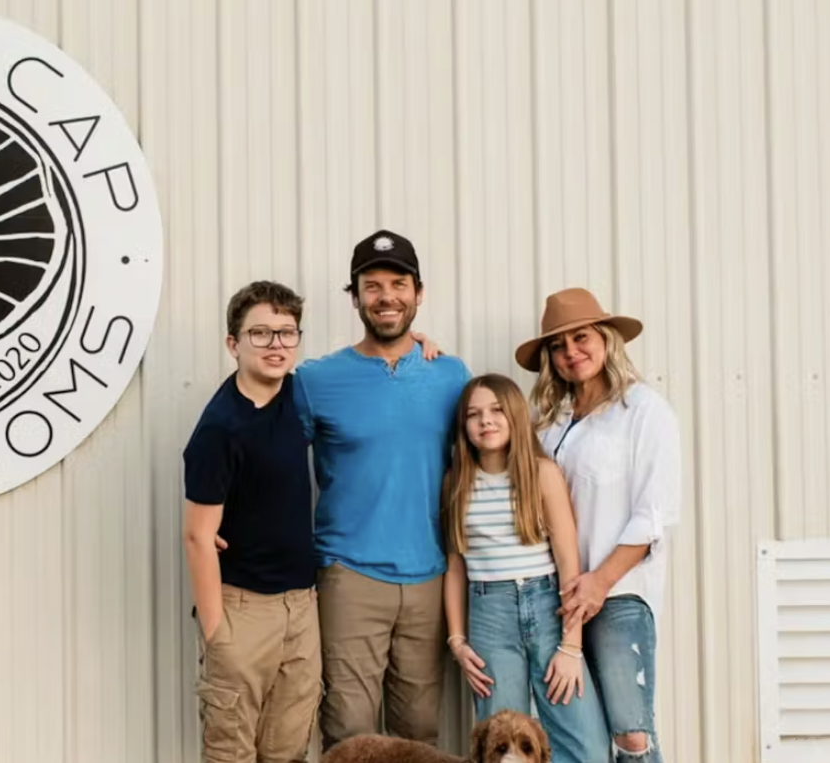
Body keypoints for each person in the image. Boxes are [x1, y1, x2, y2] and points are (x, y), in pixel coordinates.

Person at [292, 229, 472, 750]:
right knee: (349, 735)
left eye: (399, 283)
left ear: (419, 292)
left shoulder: (451, 375)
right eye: (372, 286)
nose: (386, 296)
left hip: (430, 578)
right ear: (355, 297)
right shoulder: (316, 380)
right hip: (349, 575)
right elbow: (275, 462)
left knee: (419, 736)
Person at [515, 287, 682, 763]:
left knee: (631, 735)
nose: (572, 352)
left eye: (581, 338)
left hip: (620, 594)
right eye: (558, 345)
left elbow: (653, 515)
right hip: (558, 598)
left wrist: (600, 582)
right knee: (573, 734)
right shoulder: (549, 422)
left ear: (606, 339)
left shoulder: (644, 411)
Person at [182, 280, 322, 763]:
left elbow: (361, 364)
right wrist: (218, 635)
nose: (275, 345)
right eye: (260, 333)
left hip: (301, 611)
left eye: (286, 333)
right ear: (233, 344)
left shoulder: (297, 393)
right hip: (242, 610)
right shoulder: (219, 430)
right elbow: (199, 536)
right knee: (232, 754)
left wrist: (424, 346)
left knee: (288, 751)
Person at [441, 373, 610, 762]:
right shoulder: (457, 482)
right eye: (474, 414)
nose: (486, 421)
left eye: (497, 410)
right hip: (489, 616)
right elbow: (455, 566)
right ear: (463, 426)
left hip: (550, 608)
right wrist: (457, 641)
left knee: (586, 746)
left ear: (516, 414)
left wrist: (571, 645)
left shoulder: (542, 474)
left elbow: (570, 564)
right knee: (498, 745)